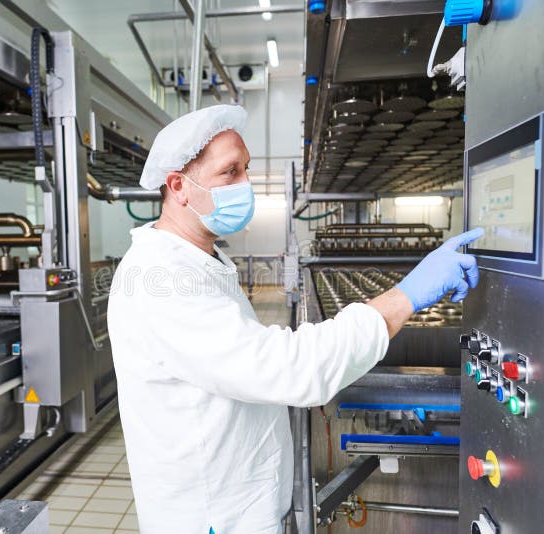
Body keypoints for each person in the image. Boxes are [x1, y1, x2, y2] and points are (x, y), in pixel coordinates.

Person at [107, 104, 483, 534]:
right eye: (230, 172)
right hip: (212, 515)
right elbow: (286, 369)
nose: (246, 184)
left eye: (247, 169)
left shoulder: (199, 260)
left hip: (237, 500)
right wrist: (405, 297)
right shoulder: (163, 278)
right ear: (179, 186)